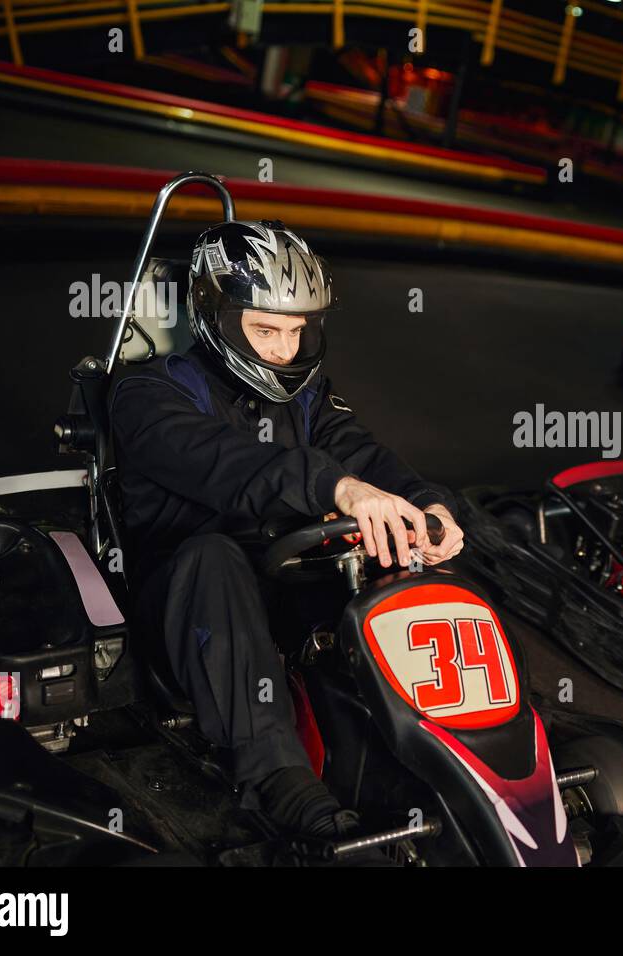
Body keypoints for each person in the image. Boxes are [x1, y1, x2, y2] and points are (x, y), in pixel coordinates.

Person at [110, 219, 464, 838]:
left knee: (396, 561)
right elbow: (227, 465)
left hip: (287, 584)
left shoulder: (306, 399)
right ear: (216, 318)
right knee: (213, 556)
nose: (282, 350)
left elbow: (365, 454)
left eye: (296, 331)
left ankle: (466, 744)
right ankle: (282, 783)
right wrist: (335, 488)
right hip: (185, 610)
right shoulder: (147, 393)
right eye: (265, 329)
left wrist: (428, 509)